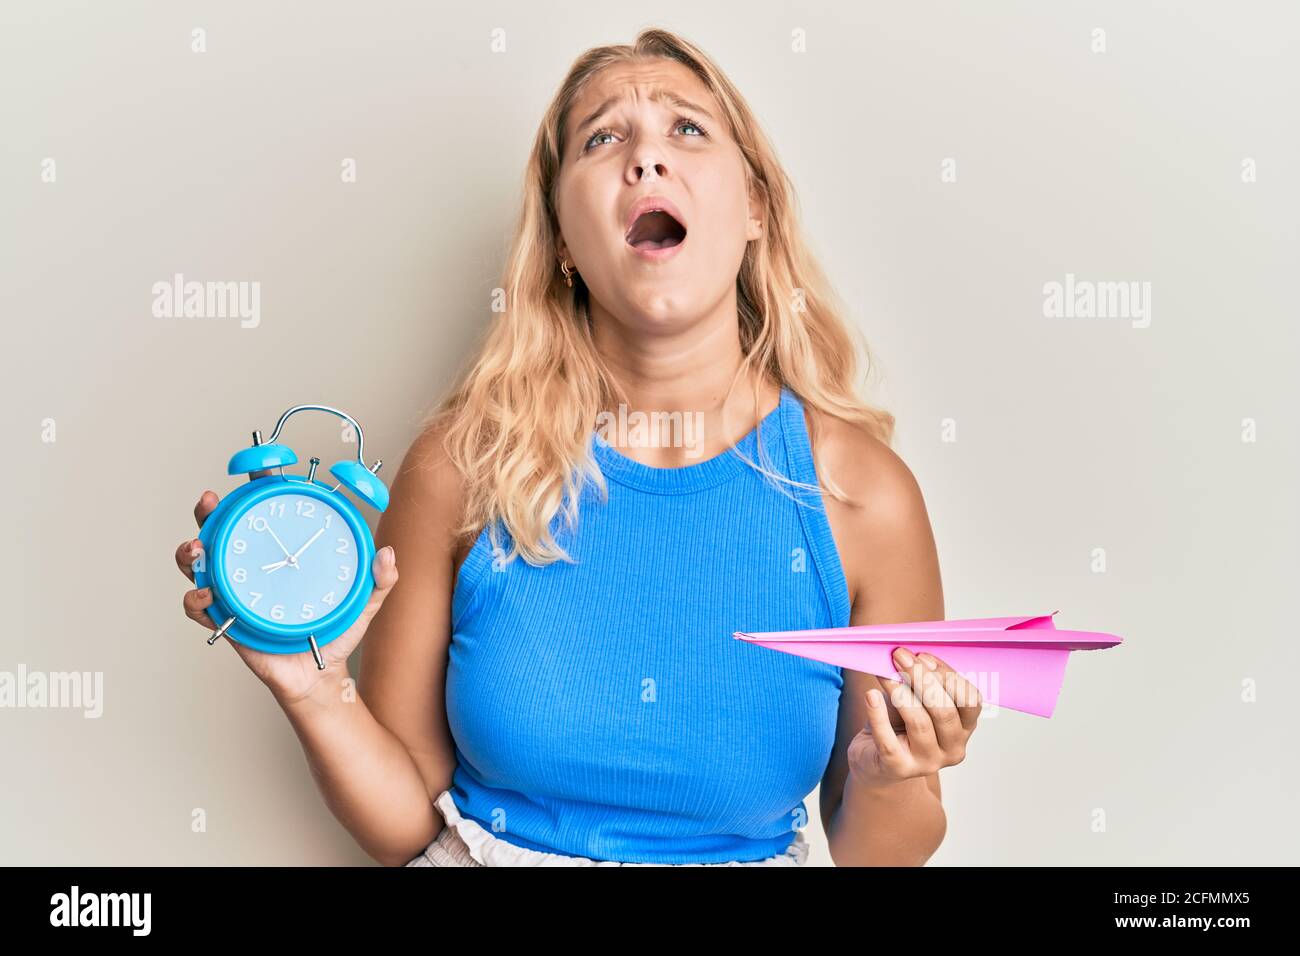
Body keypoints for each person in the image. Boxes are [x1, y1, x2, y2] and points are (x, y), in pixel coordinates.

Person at [175, 27, 982, 867]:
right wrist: (315, 693)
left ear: (755, 208)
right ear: (561, 237)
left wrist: (893, 777)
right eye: (603, 138)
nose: (646, 159)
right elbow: (405, 822)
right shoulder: (459, 467)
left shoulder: (864, 497)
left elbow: (878, 852)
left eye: (687, 128)